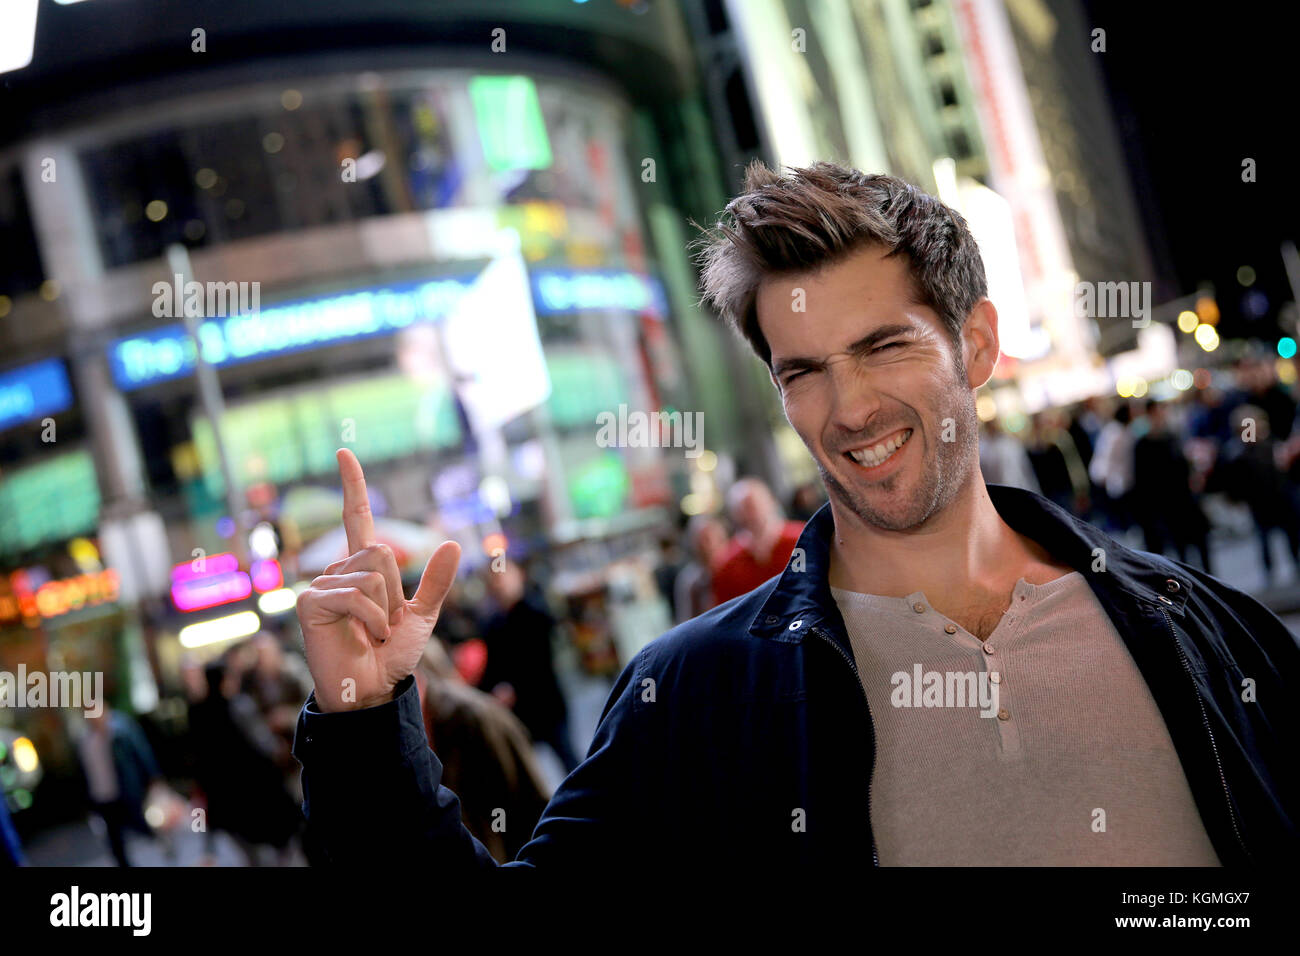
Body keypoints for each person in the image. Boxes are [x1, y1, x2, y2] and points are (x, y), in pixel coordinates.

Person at [292, 163, 1298, 868]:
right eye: (804, 370)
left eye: (884, 346)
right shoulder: (696, 694)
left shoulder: (1208, 629)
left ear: (977, 345)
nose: (849, 406)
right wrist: (362, 722)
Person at [478, 559, 580, 774]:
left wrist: (511, 688)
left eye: (504, 576)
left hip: (546, 704)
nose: (500, 583)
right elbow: (492, 668)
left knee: (569, 761)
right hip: (517, 714)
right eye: (494, 579)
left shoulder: (534, 612)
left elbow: (538, 662)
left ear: (518, 576)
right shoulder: (492, 624)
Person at [75, 703, 163, 867]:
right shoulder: (85, 741)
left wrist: (153, 777)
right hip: (102, 796)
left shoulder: (120, 731)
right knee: (115, 842)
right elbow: (84, 772)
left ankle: (162, 844)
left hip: (126, 791)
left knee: (142, 826)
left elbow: (141, 752)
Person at [1131, 399, 1213, 573]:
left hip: (1185, 499)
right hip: (1167, 505)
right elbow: (1143, 481)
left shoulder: (1172, 437)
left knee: (1200, 542)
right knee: (1180, 548)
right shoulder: (1143, 445)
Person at [709, 478, 804, 605]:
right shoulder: (726, 563)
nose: (751, 514)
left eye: (753, 505)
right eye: (743, 508)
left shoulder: (802, 538)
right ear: (734, 514)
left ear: (771, 502)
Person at [672, 513, 728, 622]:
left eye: (711, 538)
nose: (708, 546)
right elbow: (687, 622)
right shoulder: (690, 581)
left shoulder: (734, 566)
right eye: (703, 540)